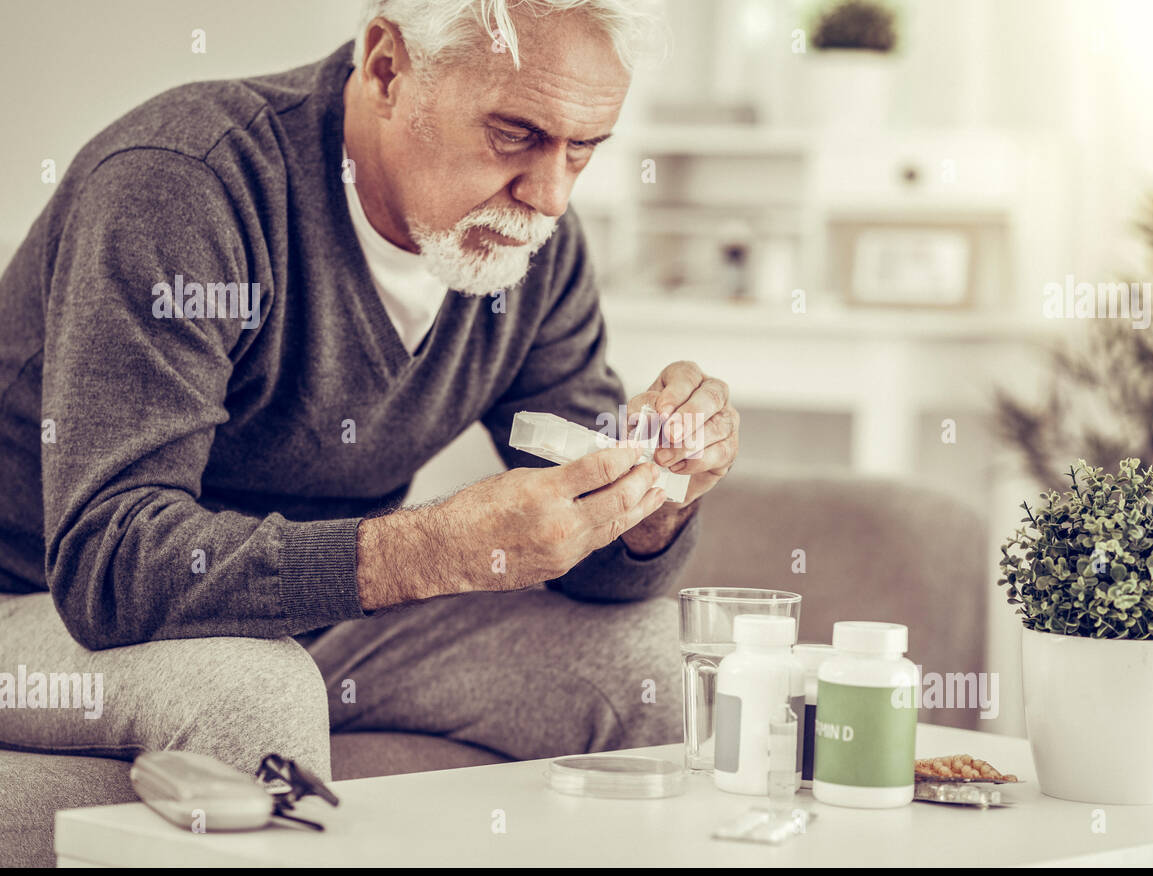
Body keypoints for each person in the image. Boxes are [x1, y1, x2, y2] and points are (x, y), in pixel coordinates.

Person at [0, 0, 740, 780]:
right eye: (514, 134)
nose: (550, 197)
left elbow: (603, 574)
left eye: (583, 148)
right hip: (37, 602)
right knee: (253, 685)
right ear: (387, 67)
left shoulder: (533, 252)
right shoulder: (186, 184)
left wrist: (656, 496)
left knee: (652, 655)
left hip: (315, 619)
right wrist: (434, 550)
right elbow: (108, 565)